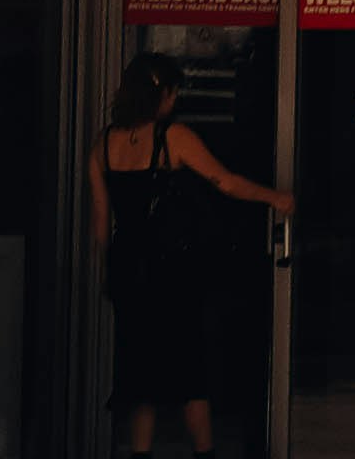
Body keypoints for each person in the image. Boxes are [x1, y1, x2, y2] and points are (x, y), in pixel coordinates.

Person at [89, 53, 294, 459]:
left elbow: (100, 222)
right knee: (190, 374)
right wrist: (276, 198)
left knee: (141, 377)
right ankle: (204, 452)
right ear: (162, 94)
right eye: (173, 92)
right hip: (171, 271)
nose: (175, 99)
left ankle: (140, 454)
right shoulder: (173, 137)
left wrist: (109, 271)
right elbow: (225, 182)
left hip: (129, 270)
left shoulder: (103, 144)